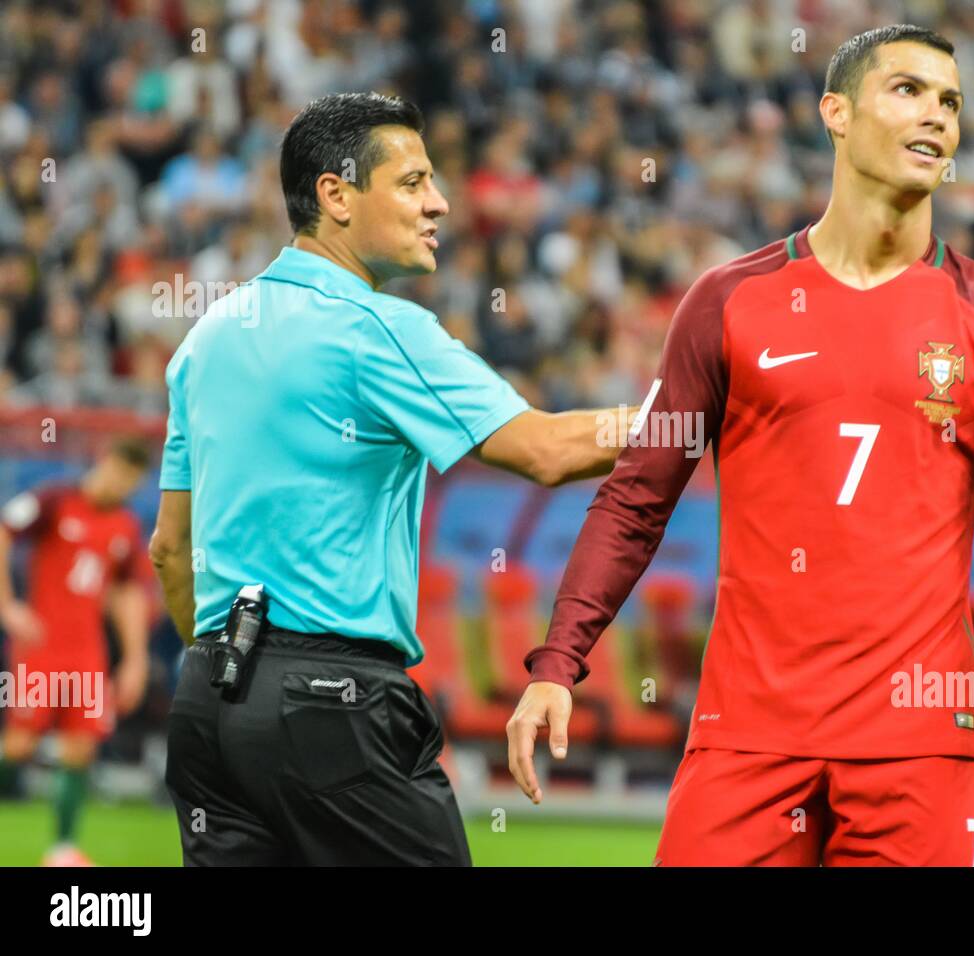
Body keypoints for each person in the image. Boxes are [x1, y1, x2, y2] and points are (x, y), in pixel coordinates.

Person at [508, 25, 974, 866]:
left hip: (920, 740)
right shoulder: (727, 304)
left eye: (951, 102)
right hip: (746, 734)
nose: (935, 114)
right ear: (836, 111)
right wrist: (555, 663)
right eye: (907, 90)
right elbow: (637, 499)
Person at [150, 92, 630, 866]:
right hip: (333, 705)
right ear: (336, 196)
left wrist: (236, 680)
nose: (438, 203)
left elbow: (171, 552)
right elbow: (547, 450)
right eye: (411, 183)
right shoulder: (378, 329)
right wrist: (691, 413)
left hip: (207, 702)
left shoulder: (204, 340)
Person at [0, 438, 152, 866]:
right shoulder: (54, 501)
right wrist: (8, 605)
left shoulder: (124, 526)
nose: (123, 485)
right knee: (20, 745)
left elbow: (126, 594)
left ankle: (63, 849)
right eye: (120, 473)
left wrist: (136, 659)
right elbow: (4, 532)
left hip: (87, 653)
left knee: (80, 749)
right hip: (40, 647)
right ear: (103, 461)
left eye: (132, 481)